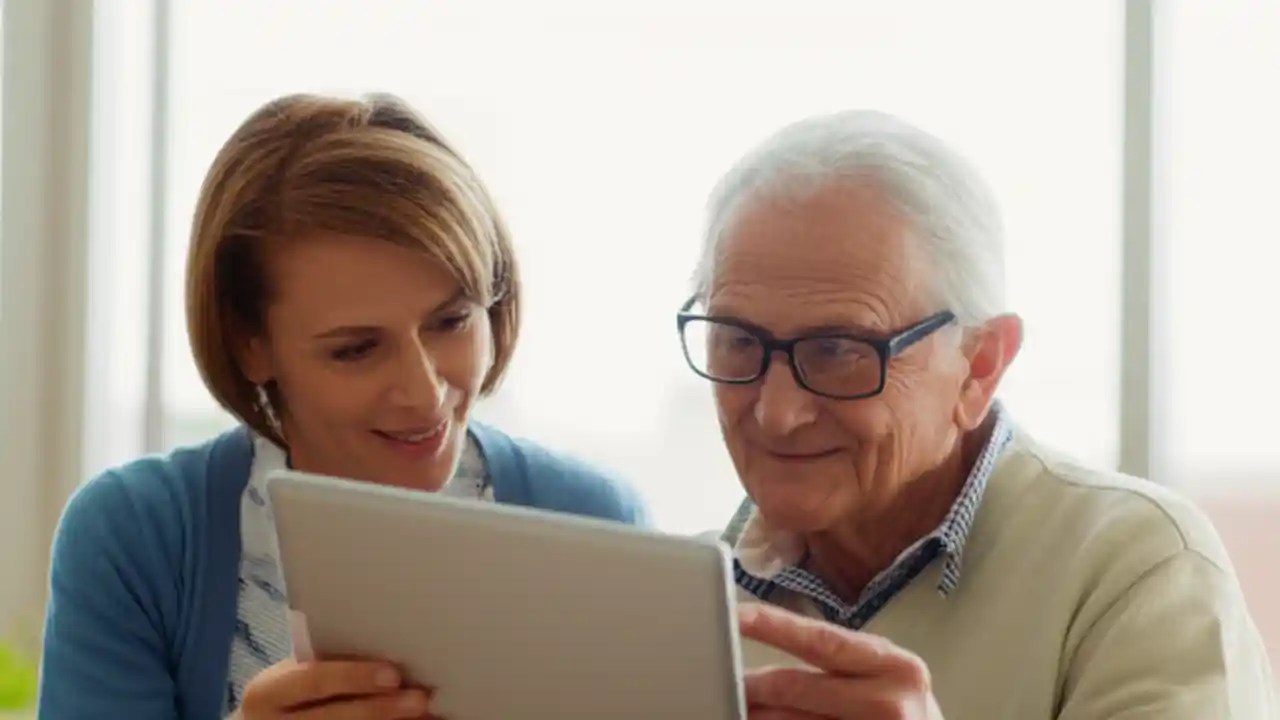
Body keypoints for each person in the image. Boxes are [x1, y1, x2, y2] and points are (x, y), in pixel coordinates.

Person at [39, 93, 648, 720]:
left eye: (451, 320)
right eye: (356, 350)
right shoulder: (137, 538)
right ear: (252, 347)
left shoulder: (597, 525)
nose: (424, 392)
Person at [680, 110, 1277, 718]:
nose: (778, 414)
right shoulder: (674, 604)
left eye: (837, 351)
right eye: (738, 341)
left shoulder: (1134, 569)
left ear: (979, 365)